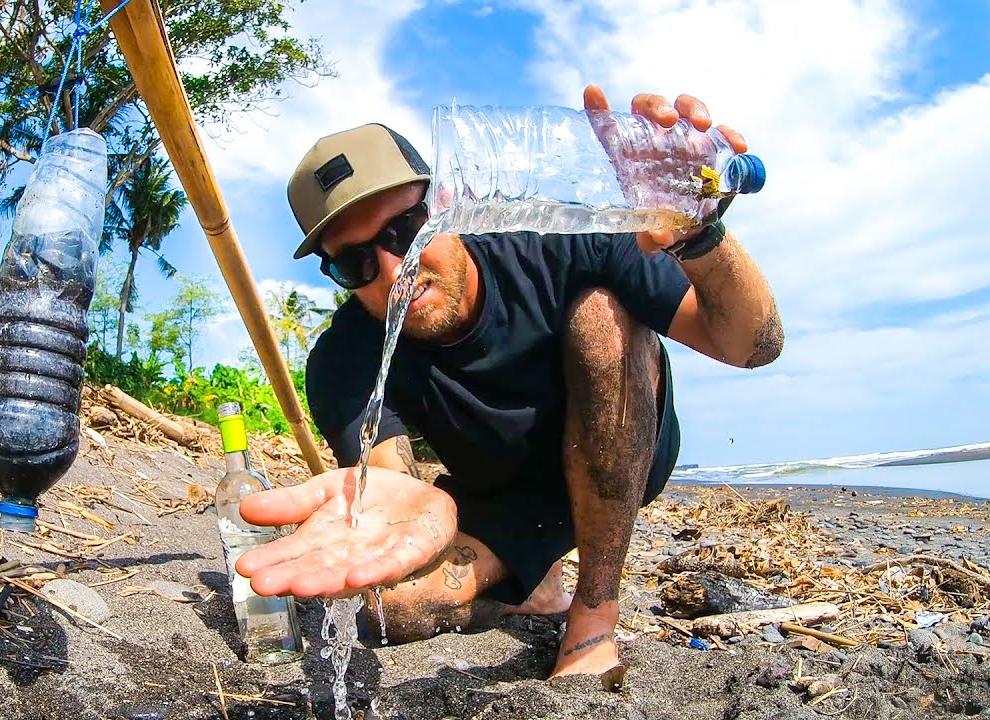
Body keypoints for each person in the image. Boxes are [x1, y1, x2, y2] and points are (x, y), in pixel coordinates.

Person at [233, 85, 784, 682]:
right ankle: (535, 578)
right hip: (506, 494)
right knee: (393, 606)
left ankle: (593, 613)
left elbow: (752, 344)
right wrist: (424, 515)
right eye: (356, 263)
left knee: (601, 313)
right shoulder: (344, 359)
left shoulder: (559, 238)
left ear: (446, 202)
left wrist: (696, 235)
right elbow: (393, 490)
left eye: (406, 230)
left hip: (624, 455)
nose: (395, 271)